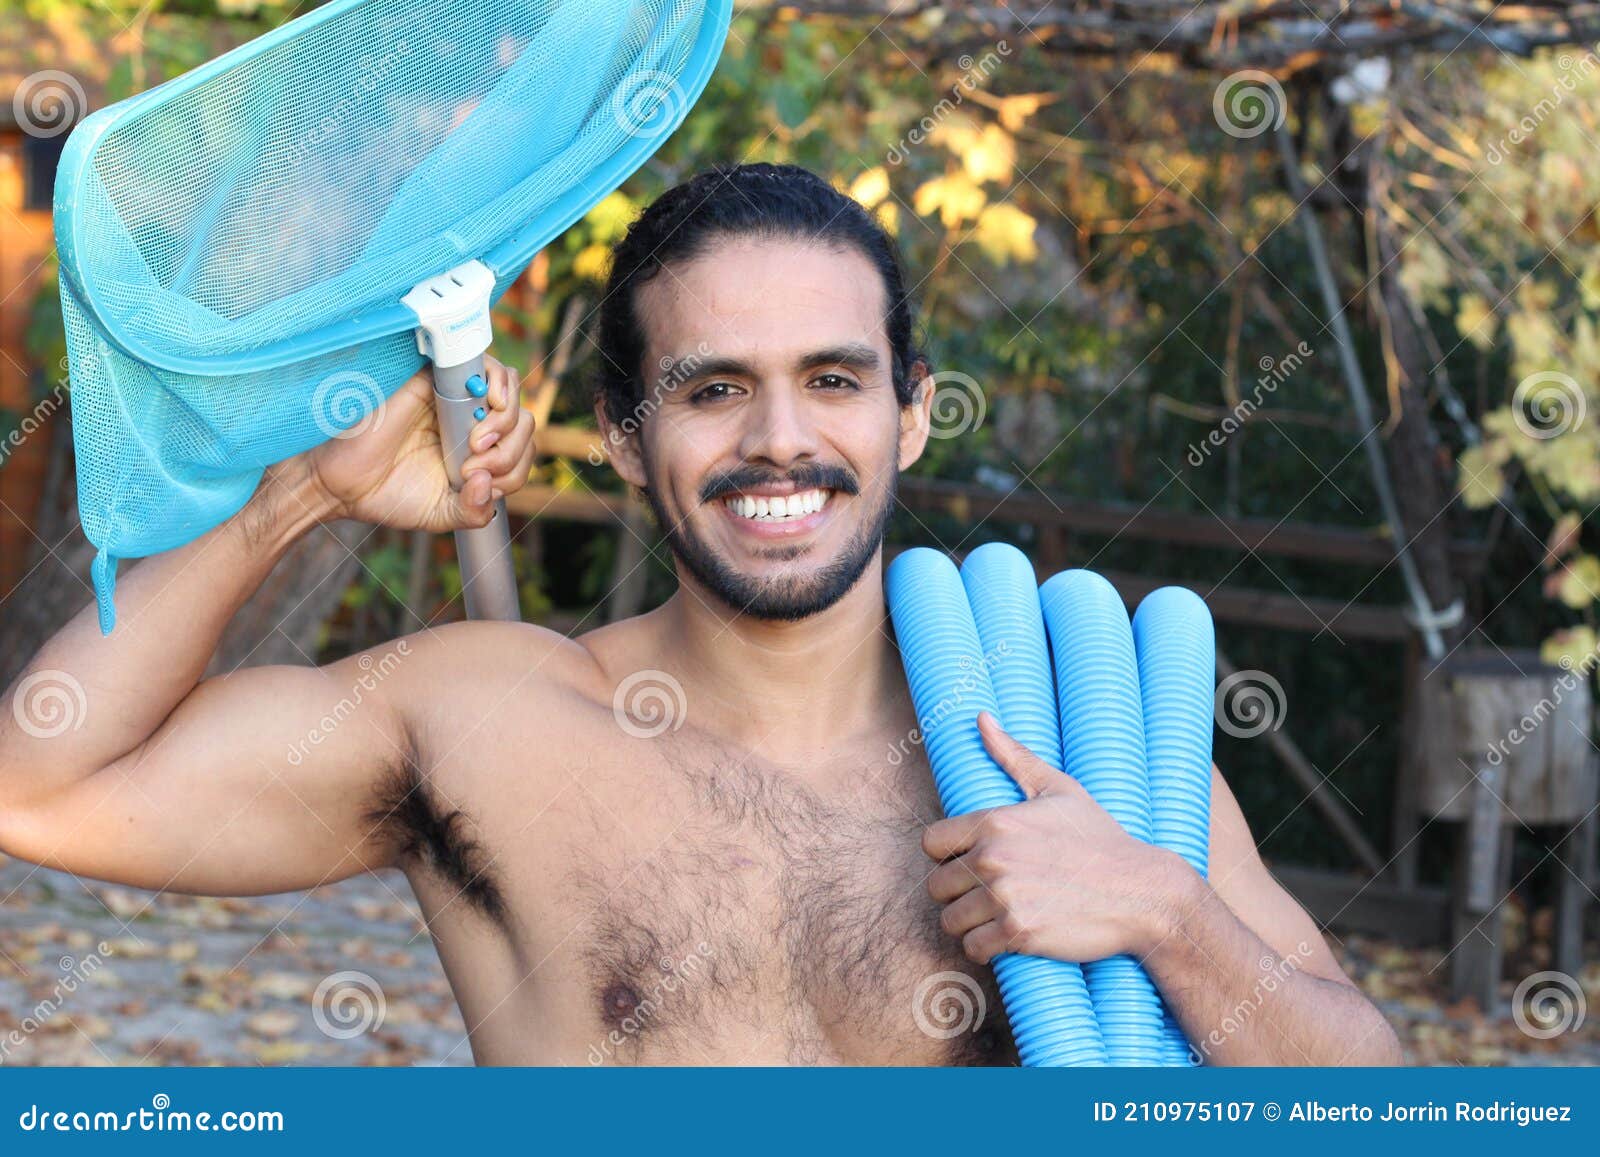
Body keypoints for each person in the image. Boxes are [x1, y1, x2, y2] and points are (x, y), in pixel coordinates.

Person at [0, 163, 1401, 1066]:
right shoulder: (490, 717)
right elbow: (41, 786)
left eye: (836, 380)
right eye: (714, 387)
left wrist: (1168, 918)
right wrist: (300, 493)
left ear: (912, 410)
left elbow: (1379, 1101)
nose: (779, 440)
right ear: (622, 432)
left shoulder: (1071, 737)